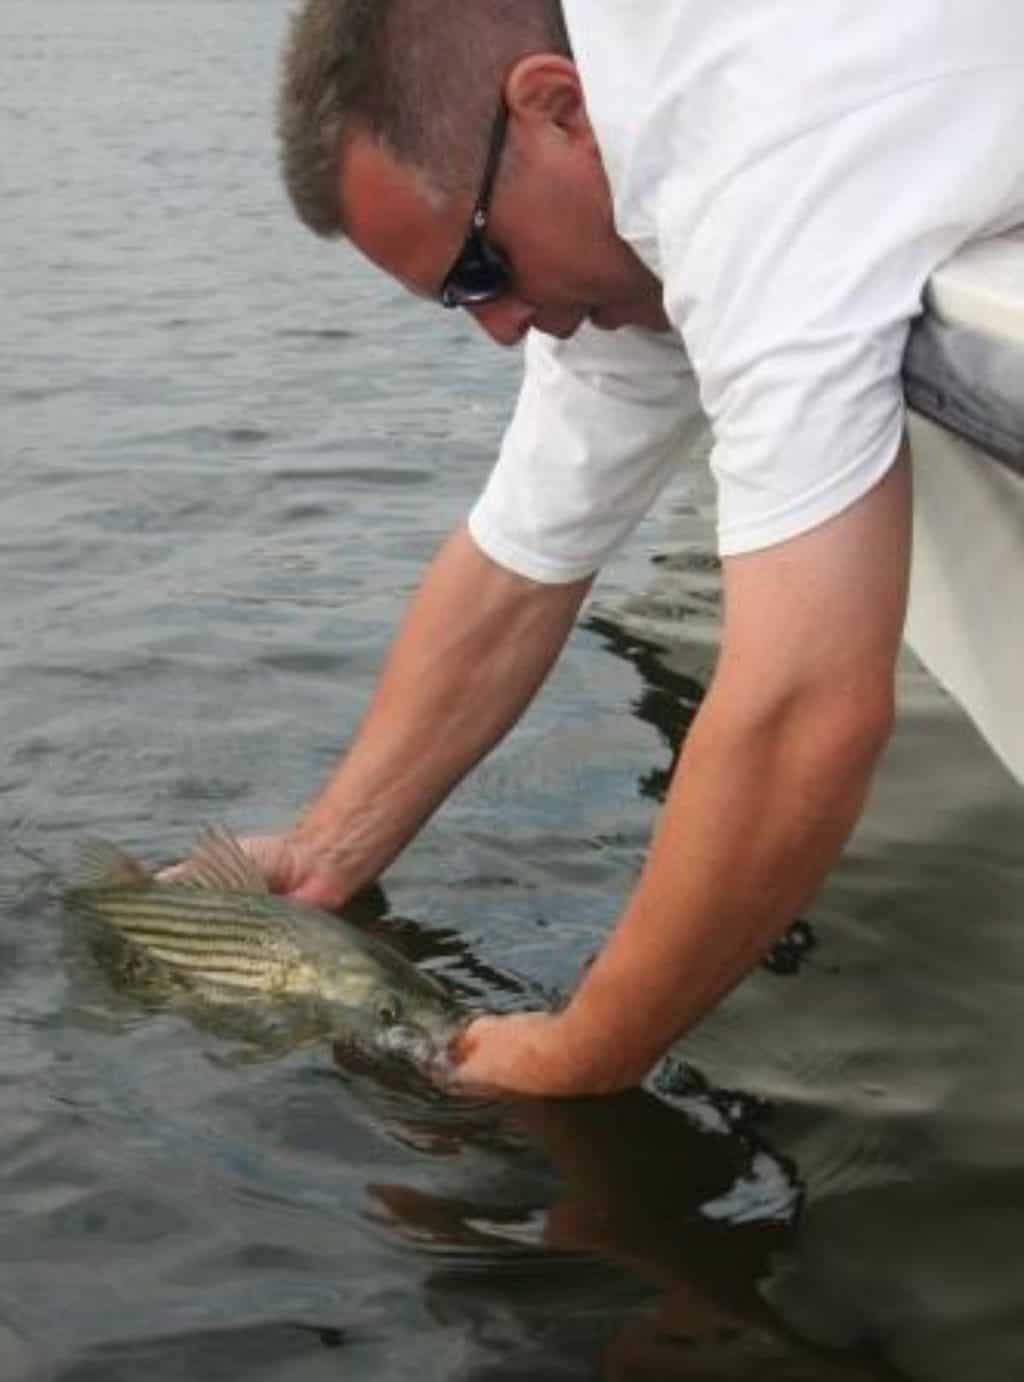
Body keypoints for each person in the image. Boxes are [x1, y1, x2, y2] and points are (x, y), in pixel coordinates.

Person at [239, 0, 1024, 1095]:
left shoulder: (756, 159)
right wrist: (324, 854)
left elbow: (805, 708)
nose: (502, 326)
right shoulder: (625, 183)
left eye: (478, 272)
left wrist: (577, 1053)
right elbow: (514, 564)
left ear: (556, 106)